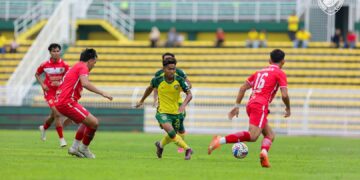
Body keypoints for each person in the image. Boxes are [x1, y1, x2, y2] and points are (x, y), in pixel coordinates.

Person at [208, 49, 291, 168]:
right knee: (253, 136)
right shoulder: (280, 73)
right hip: (260, 105)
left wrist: (237, 106)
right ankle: (219, 140)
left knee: (270, 135)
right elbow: (284, 95)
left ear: (269, 60)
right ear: (283, 61)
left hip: (251, 104)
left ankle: (264, 154)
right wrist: (288, 108)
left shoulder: (259, 72)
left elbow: (242, 88)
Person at [55, 48, 113, 158]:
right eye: (94, 62)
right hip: (67, 102)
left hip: (63, 101)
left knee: (86, 122)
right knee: (94, 123)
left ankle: (74, 148)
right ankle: (84, 148)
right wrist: (102, 93)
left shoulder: (76, 66)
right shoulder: (83, 67)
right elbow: (85, 83)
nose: (94, 65)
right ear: (90, 60)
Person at [135, 57, 194, 160]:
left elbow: (189, 94)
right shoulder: (157, 80)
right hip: (162, 112)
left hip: (176, 112)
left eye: (174, 69)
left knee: (172, 135)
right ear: (164, 69)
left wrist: (183, 105)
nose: (172, 71)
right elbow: (149, 89)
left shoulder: (179, 80)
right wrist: (141, 100)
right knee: (171, 132)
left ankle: (160, 146)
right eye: (169, 69)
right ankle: (187, 149)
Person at [153, 52, 192, 153]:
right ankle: (181, 146)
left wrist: (184, 87)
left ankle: (179, 146)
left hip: (178, 103)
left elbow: (189, 84)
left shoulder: (179, 73)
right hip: (164, 105)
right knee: (170, 130)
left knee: (180, 128)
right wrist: (155, 99)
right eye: (166, 60)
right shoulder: (158, 75)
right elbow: (154, 87)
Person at [36, 43, 70, 147]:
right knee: (58, 114)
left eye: (57, 51)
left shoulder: (65, 65)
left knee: (53, 115)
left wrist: (64, 87)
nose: (56, 53)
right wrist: (43, 85)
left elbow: (69, 78)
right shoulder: (44, 65)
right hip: (49, 92)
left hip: (59, 93)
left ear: (60, 52)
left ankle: (44, 128)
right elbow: (37, 74)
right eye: (53, 51)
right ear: (50, 52)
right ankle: (62, 140)